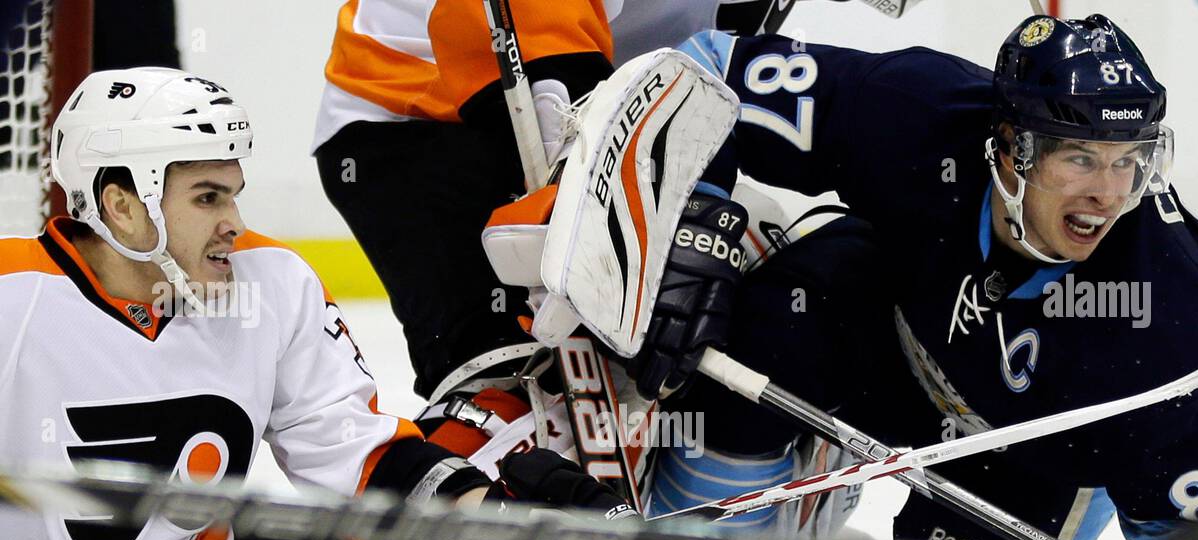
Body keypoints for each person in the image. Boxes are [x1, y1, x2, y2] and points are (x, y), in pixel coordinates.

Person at [0, 66, 927, 540]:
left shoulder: (267, 286)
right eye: (206, 197)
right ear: (120, 205)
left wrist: (508, 511)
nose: (235, 222)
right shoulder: (12, 304)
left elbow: (362, 459)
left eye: (234, 193)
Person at [620, 14, 1198, 540]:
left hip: (1022, 463)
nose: (1108, 194)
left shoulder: (1167, 304)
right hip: (887, 339)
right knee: (759, 332)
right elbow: (707, 67)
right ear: (1010, 149)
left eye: (1130, 161)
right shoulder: (920, 111)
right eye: (1080, 157)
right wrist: (700, 221)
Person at [311, 0, 835, 401]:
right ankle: (481, 492)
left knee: (763, 279)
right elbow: (550, 87)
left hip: (605, 101)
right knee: (518, 384)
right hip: (418, 113)